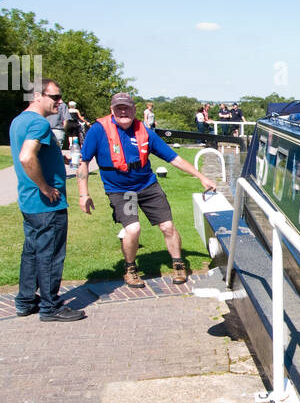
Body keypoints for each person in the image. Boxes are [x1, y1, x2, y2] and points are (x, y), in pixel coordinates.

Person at [77, 92, 217, 286]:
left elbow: (173, 158)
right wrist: (84, 194)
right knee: (133, 229)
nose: (123, 111)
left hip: (147, 186)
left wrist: (201, 176)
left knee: (167, 226)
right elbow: (83, 162)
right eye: (119, 108)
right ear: (112, 110)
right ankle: (130, 269)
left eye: (127, 108)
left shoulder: (145, 132)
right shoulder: (98, 130)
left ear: (135, 110)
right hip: (122, 191)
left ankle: (178, 263)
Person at [10, 78, 86, 321]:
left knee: (32, 251)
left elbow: (33, 154)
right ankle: (50, 307)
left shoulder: (19, 121)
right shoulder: (39, 124)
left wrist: (58, 159)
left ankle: (24, 301)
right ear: (37, 97)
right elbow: (25, 157)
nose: (60, 101)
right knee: (50, 254)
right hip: (46, 203)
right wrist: (45, 187)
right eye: (54, 97)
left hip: (29, 202)